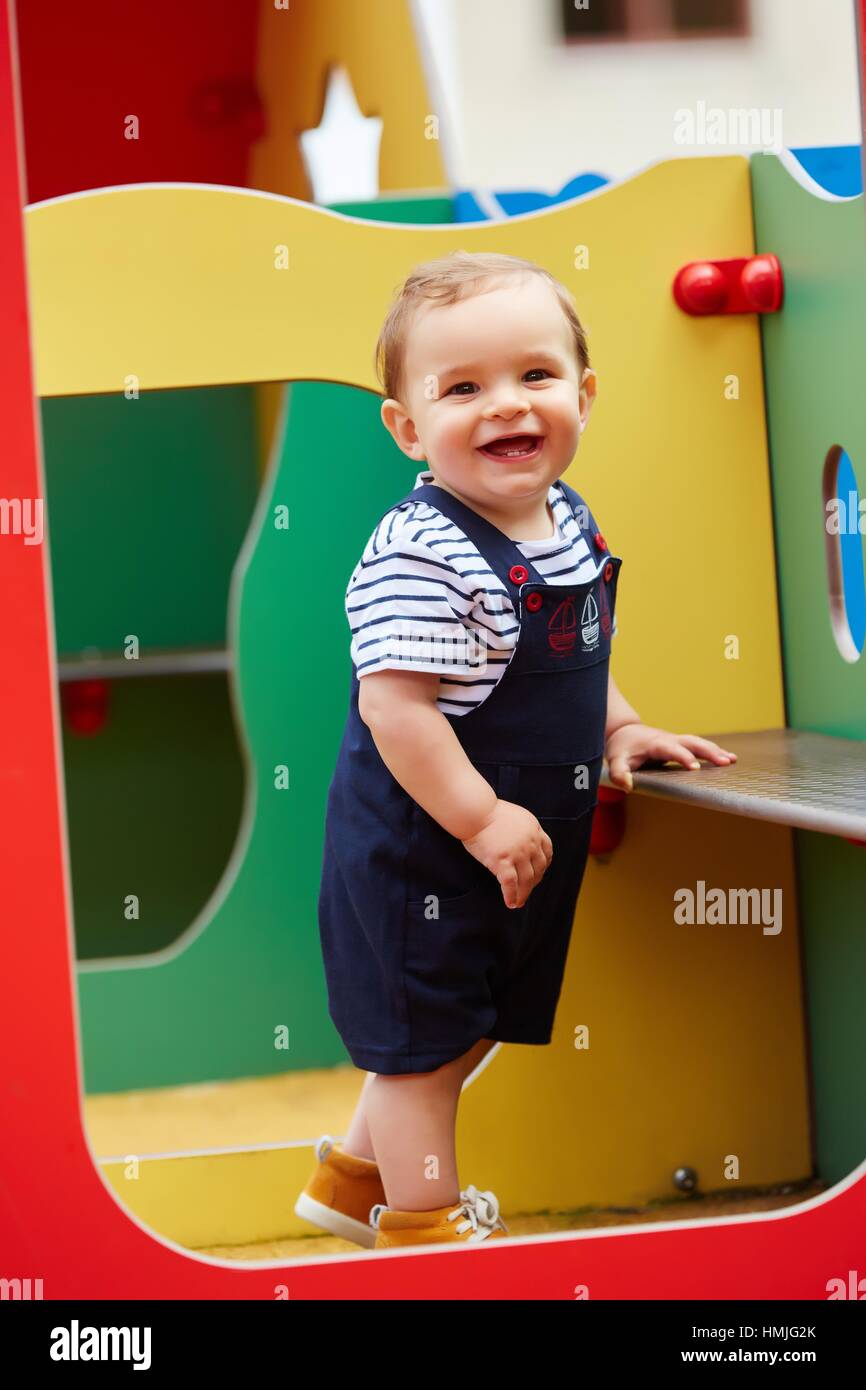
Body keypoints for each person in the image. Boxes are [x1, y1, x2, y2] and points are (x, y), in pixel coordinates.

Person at [295, 251, 736, 1250]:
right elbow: (396, 711)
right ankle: (422, 1223)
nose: (504, 406)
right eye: (461, 389)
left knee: (471, 1019)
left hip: (518, 841)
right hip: (427, 845)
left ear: (581, 393)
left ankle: (349, 1178)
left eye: (533, 376)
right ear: (407, 426)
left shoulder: (564, 520)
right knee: (421, 1043)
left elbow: (575, 653)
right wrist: (479, 816)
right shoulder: (420, 550)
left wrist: (619, 724)